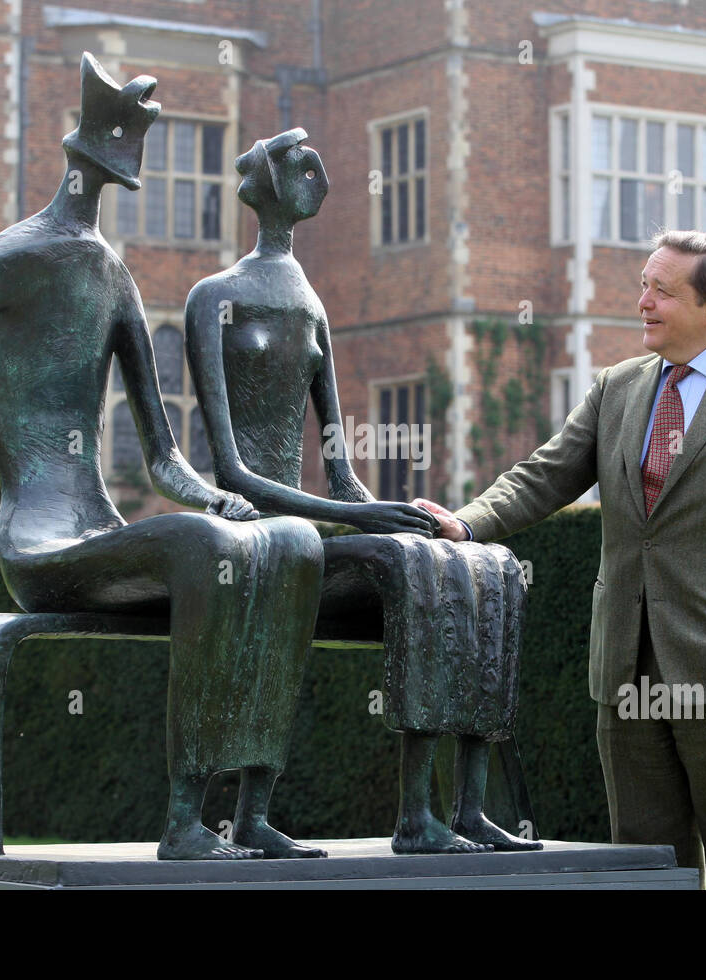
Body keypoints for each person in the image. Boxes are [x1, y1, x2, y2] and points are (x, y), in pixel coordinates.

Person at [0, 53, 326, 861]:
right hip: (39, 546)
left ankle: (251, 807)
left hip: (97, 529)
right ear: (81, 159)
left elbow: (166, 458)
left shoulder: (116, 280)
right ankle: (183, 821)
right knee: (205, 547)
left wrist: (216, 498)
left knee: (292, 543)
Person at [416, 229, 706, 888]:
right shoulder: (616, 387)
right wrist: (467, 524)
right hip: (626, 662)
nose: (642, 301)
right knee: (647, 865)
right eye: (643, 285)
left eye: (662, 291)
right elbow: (546, 474)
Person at [184, 129, 538, 854]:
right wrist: (357, 513)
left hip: (314, 526)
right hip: (254, 532)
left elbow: (340, 465)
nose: (317, 173)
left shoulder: (310, 303)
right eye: (297, 164)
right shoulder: (213, 297)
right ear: (263, 188)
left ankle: (457, 810)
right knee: (411, 563)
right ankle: (410, 819)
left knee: (483, 568)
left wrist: (396, 515)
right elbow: (232, 474)